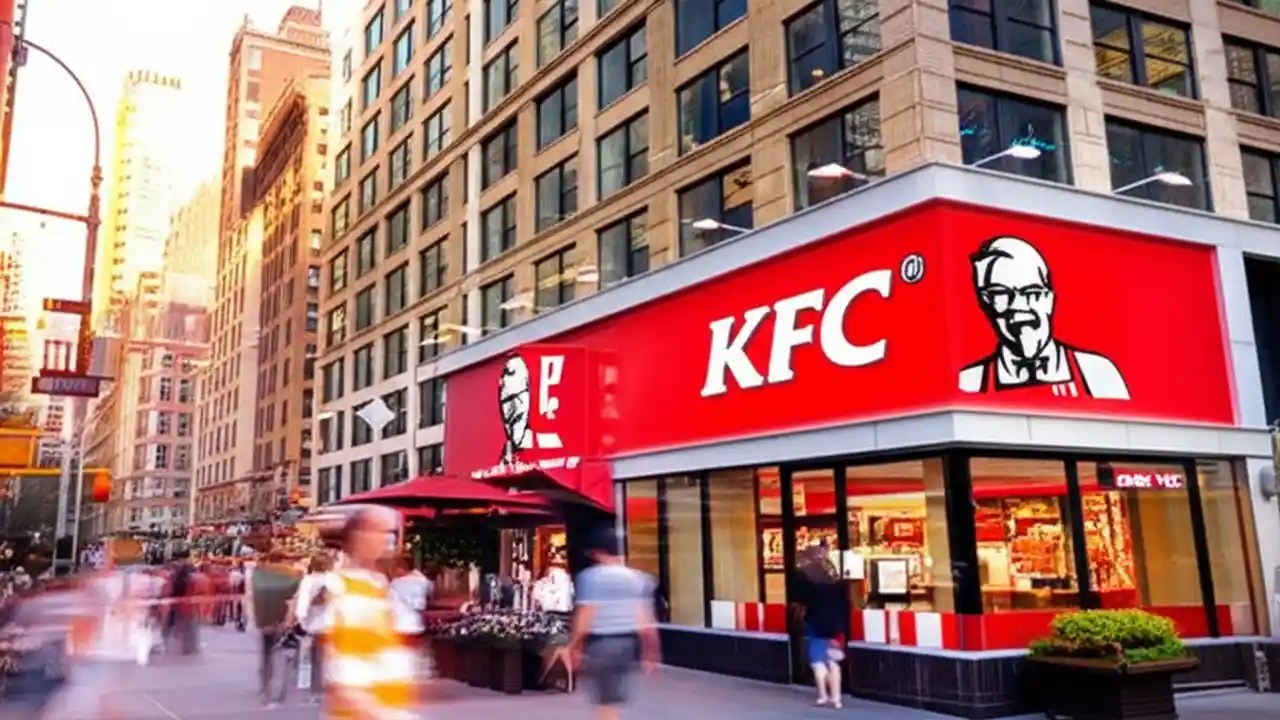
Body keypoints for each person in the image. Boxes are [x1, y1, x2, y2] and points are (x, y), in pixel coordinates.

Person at [318, 506, 417, 719]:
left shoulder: (377, 584)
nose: (387, 539)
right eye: (379, 531)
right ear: (358, 536)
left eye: (389, 532)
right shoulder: (345, 588)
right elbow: (345, 677)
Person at [569, 527, 660, 720]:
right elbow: (645, 620)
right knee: (611, 701)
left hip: (601, 645)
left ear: (599, 552)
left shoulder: (591, 578)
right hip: (627, 644)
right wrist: (651, 653)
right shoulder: (639, 579)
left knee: (606, 704)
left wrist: (575, 647)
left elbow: (586, 615)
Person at [792, 545, 849, 709]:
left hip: (816, 625)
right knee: (833, 661)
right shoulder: (838, 584)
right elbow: (845, 605)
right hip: (835, 627)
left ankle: (823, 694)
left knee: (818, 662)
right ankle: (836, 698)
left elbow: (800, 600)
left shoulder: (808, 582)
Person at [249, 550, 303, 708]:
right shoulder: (291, 576)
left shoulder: (259, 576)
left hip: (263, 621)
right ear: (282, 559)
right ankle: (276, 693)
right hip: (282, 622)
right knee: (281, 658)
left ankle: (264, 686)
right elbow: (293, 599)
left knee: (266, 655)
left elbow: (252, 596)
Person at [293, 554, 333, 705]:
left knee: (315, 660)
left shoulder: (308, 581)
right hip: (333, 624)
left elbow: (302, 605)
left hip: (315, 625)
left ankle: (315, 692)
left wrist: (301, 621)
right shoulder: (335, 581)